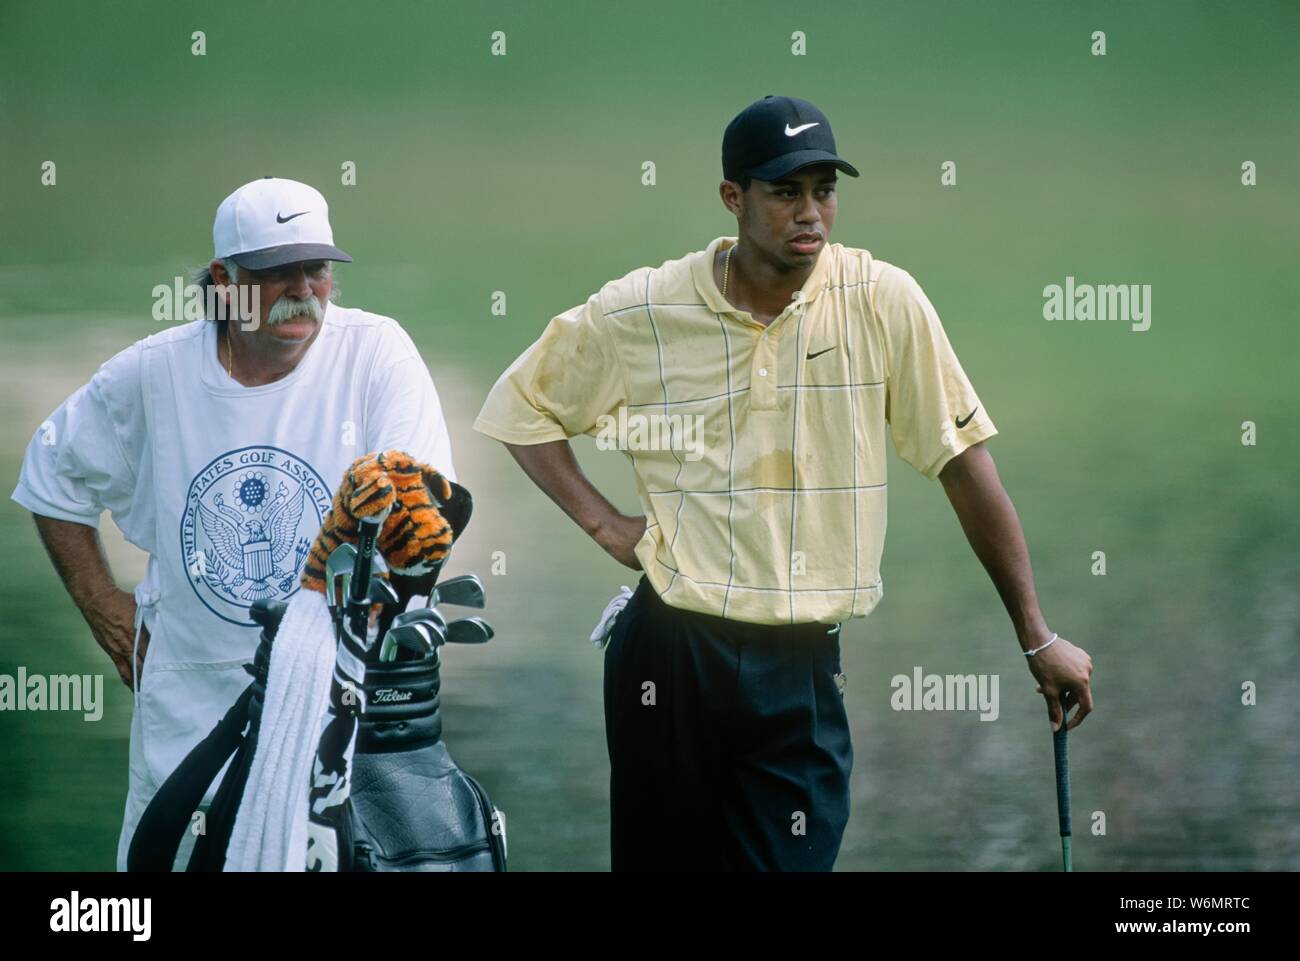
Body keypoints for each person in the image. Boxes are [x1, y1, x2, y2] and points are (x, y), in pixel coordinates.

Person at [473, 95, 1094, 871]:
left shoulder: (882, 301)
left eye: (824, 189)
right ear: (734, 198)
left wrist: (1035, 633)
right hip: (669, 653)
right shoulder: (646, 309)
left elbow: (964, 466)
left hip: (801, 667)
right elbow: (521, 406)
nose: (811, 212)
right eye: (785, 191)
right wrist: (604, 525)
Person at [12, 176, 457, 870]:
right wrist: (106, 611)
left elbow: (417, 503)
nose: (303, 290)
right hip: (188, 711)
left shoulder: (375, 354)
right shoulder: (155, 375)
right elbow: (50, 476)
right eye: (277, 273)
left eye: (316, 270)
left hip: (336, 716)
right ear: (225, 278)